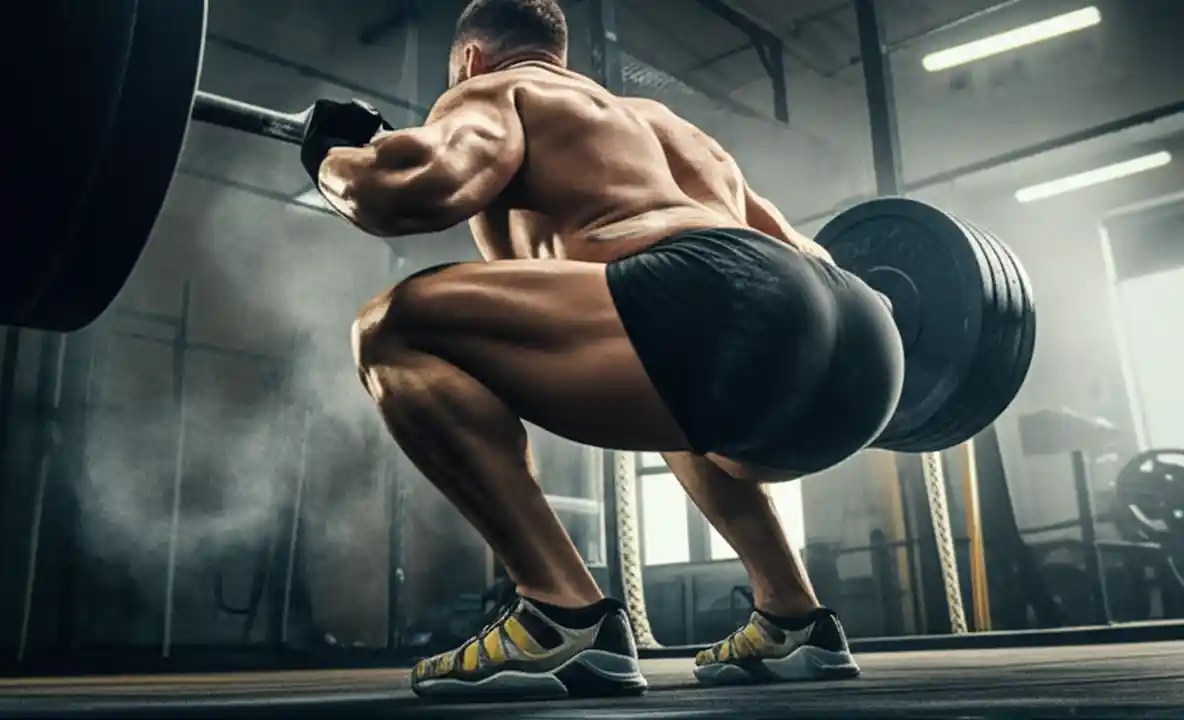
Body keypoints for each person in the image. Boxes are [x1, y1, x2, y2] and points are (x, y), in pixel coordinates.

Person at [305, 0, 903, 700]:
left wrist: (336, 157)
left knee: (392, 329)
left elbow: (409, 190)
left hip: (720, 301)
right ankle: (794, 620)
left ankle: (561, 616)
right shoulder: (665, 127)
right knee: (683, 404)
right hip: (859, 340)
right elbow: (801, 257)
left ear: (472, 57)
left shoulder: (498, 88)